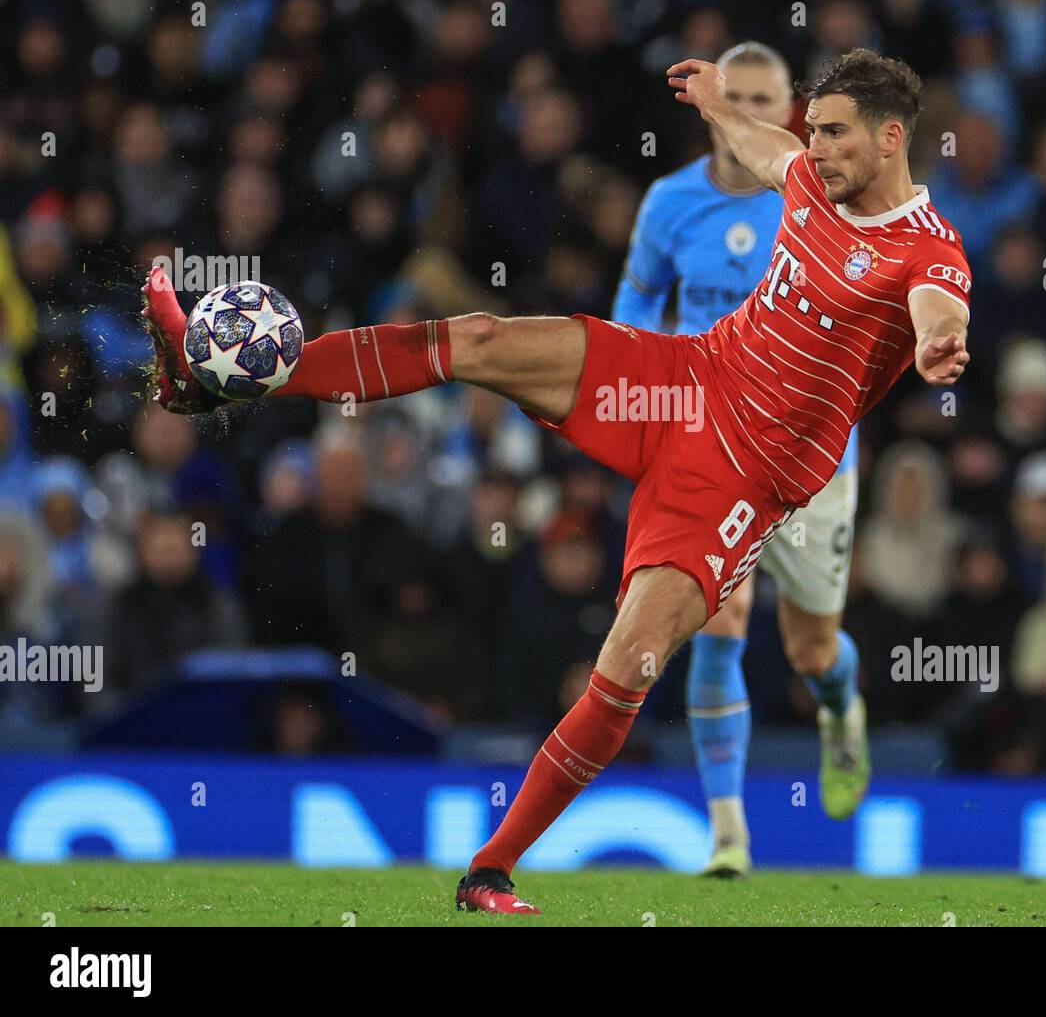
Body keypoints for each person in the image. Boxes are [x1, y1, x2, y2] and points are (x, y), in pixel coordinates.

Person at [143, 46, 972, 914]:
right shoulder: (809, 176)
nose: (820, 147)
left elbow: (938, 305)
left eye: (837, 134)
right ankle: (209, 384)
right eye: (818, 130)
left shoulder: (929, 250)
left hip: (742, 481)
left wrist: (936, 343)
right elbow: (769, 149)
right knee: (482, 341)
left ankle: (488, 870)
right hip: (681, 382)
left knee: (632, 661)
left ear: (889, 139)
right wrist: (720, 106)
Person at [612, 40, 870, 878]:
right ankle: (728, 832)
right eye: (739, 97)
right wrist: (640, 409)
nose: (752, 114)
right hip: (710, 443)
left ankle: (841, 708)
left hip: (812, 451)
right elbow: (638, 308)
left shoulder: (819, 200)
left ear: (789, 113)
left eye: (768, 100)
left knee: (811, 651)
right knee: (714, 622)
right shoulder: (668, 202)